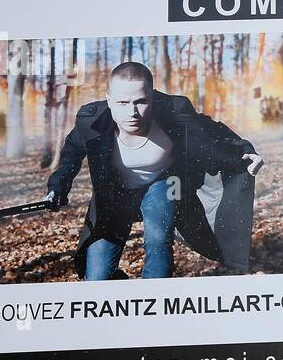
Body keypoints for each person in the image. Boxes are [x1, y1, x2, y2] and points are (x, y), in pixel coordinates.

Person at [45, 61, 264, 280]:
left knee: (159, 240)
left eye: (140, 102)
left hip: (164, 183)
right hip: (114, 192)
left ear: (153, 96)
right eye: (122, 102)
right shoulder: (91, 120)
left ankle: (156, 298)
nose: (132, 112)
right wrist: (58, 189)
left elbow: (210, 130)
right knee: (97, 277)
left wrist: (243, 151)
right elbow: (71, 155)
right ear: (109, 100)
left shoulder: (173, 112)